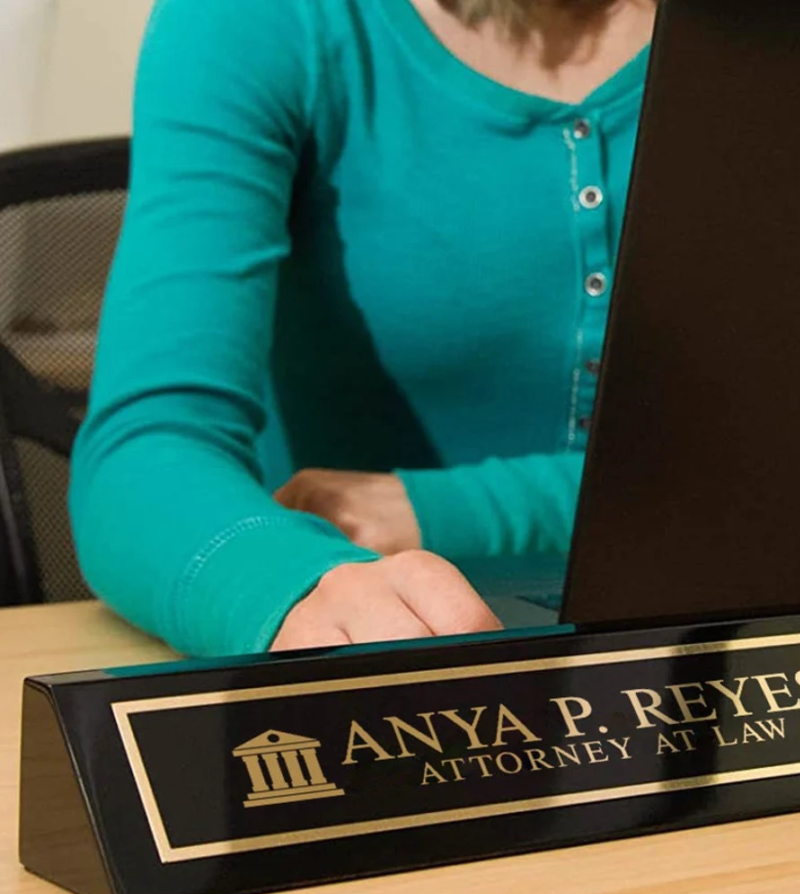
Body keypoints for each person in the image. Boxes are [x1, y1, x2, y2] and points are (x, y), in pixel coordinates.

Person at [70, 0, 656, 657]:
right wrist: (289, 586)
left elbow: (784, 463)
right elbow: (142, 458)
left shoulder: (779, 37)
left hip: (716, 650)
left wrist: (449, 511)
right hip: (384, 659)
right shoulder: (261, 19)